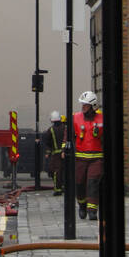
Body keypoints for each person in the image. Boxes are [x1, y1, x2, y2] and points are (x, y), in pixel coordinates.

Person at [72, 90, 103, 221]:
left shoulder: (102, 119)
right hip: (80, 158)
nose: (83, 107)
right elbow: (68, 136)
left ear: (93, 106)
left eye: (86, 105)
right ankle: (82, 205)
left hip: (97, 157)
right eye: (82, 105)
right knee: (79, 183)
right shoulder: (75, 118)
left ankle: (92, 210)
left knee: (93, 183)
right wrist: (64, 150)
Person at [42, 111, 66, 196]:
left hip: (56, 154)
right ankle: (63, 186)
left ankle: (58, 189)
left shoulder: (51, 130)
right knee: (63, 171)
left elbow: (47, 141)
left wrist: (48, 152)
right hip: (65, 154)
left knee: (55, 171)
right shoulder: (65, 128)